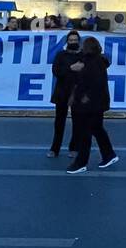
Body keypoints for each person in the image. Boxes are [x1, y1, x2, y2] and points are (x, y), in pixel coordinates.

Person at [66, 37, 118, 174]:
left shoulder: (91, 62)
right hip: (97, 103)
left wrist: (82, 97)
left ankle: (81, 162)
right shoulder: (97, 61)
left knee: (85, 132)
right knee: (97, 128)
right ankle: (109, 154)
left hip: (89, 104)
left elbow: (91, 83)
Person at [48, 30, 83, 157]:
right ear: (67, 41)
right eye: (71, 40)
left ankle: (74, 148)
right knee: (59, 122)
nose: (73, 42)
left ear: (79, 41)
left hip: (77, 92)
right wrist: (71, 69)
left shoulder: (83, 55)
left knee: (77, 121)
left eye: (75, 40)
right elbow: (56, 71)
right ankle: (54, 148)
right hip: (62, 92)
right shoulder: (60, 55)